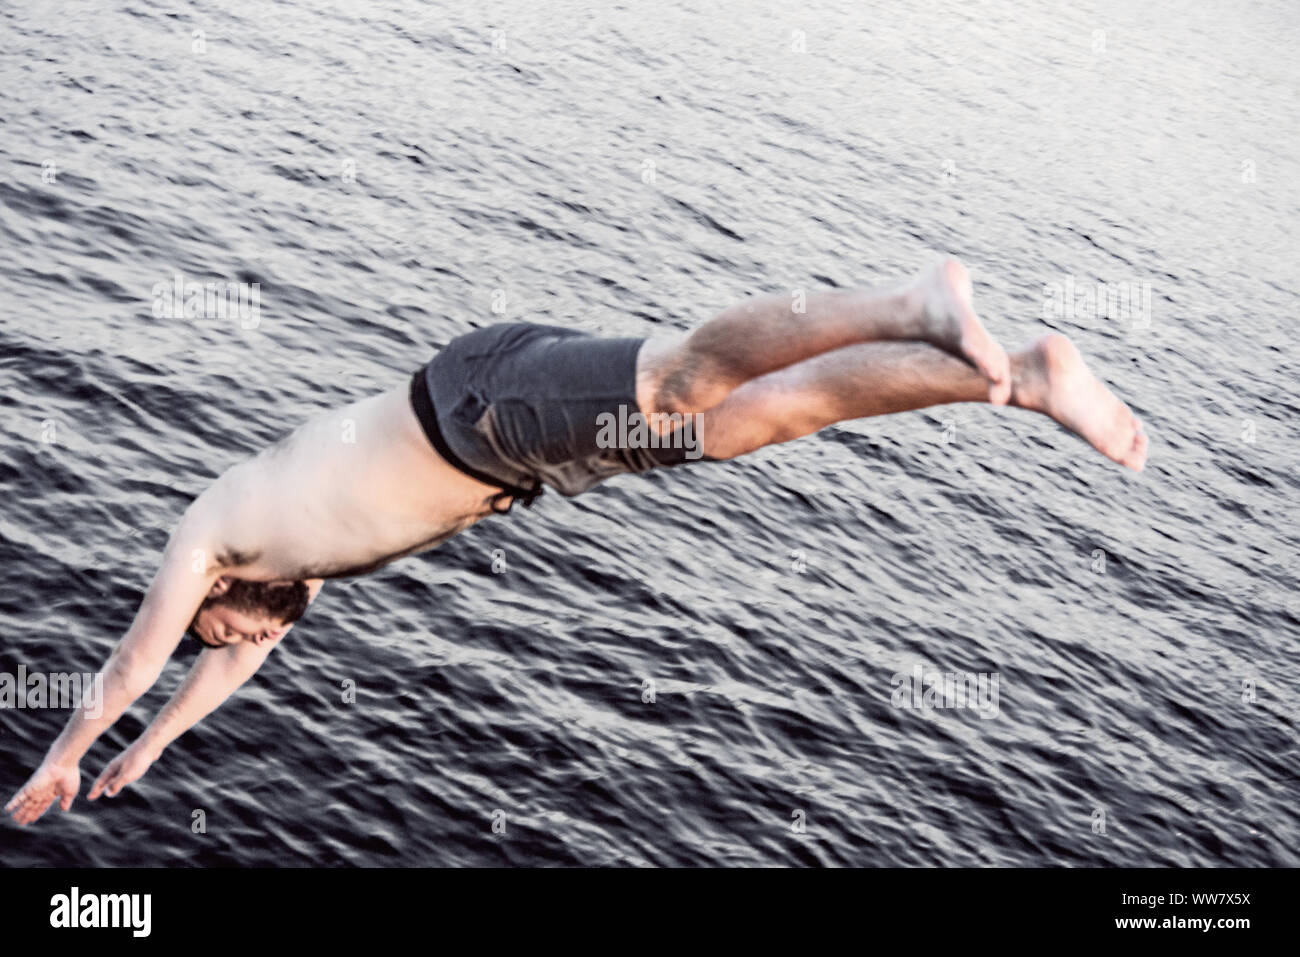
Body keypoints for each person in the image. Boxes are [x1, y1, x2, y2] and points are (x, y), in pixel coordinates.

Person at [4, 257, 1146, 826]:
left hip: (478, 409)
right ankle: (1015, 384)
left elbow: (139, 661)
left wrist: (71, 746)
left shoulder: (214, 535)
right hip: (514, 451)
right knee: (736, 424)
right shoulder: (275, 580)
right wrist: (147, 756)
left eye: (208, 634)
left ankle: (910, 299)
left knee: (692, 378)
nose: (219, 644)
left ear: (208, 600)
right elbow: (224, 668)